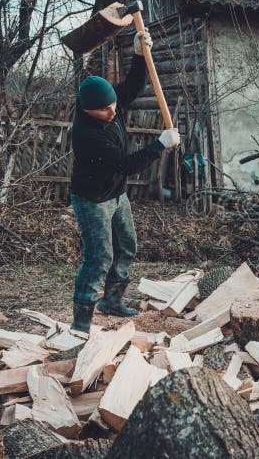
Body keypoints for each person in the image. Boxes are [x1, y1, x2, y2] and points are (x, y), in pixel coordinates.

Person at [69, 28, 180, 335]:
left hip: (117, 195)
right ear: (88, 108)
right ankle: (81, 322)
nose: (113, 110)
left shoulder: (109, 104)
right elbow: (126, 165)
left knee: (126, 246)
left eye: (113, 104)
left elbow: (131, 88)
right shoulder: (88, 134)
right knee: (99, 256)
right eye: (105, 109)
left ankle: (112, 301)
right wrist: (160, 144)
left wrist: (138, 53)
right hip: (92, 200)